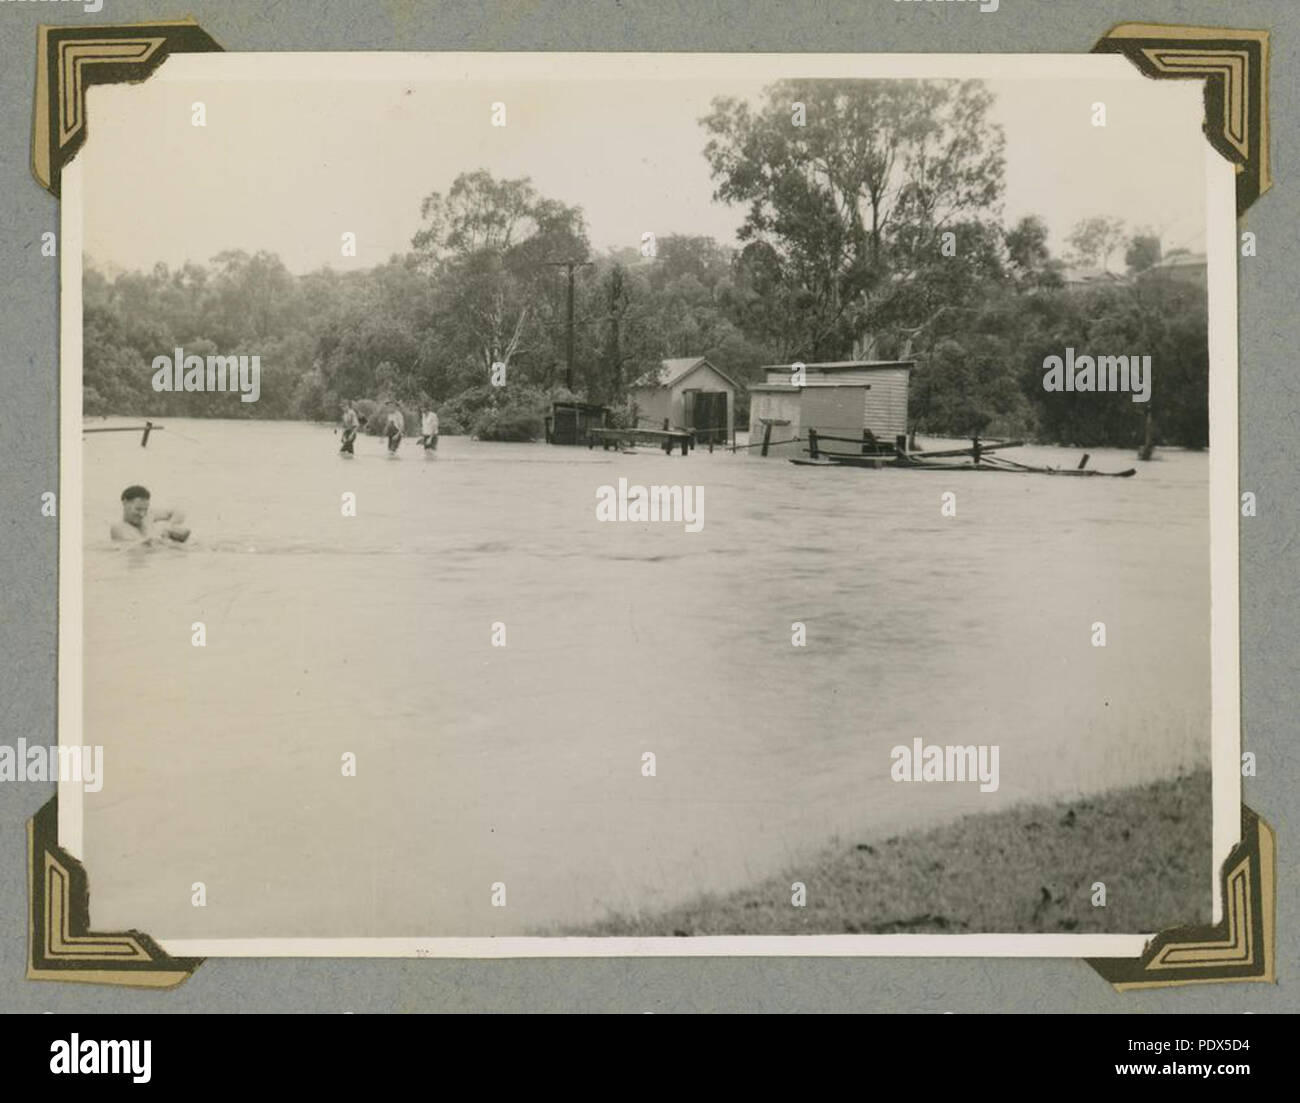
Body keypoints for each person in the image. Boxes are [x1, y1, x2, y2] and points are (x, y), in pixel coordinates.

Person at [110, 485, 190, 545]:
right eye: (138, 509)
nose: (142, 514)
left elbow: (179, 512)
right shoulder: (119, 528)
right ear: (125, 503)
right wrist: (158, 532)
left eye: (145, 509)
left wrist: (169, 525)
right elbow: (140, 548)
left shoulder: (148, 515)